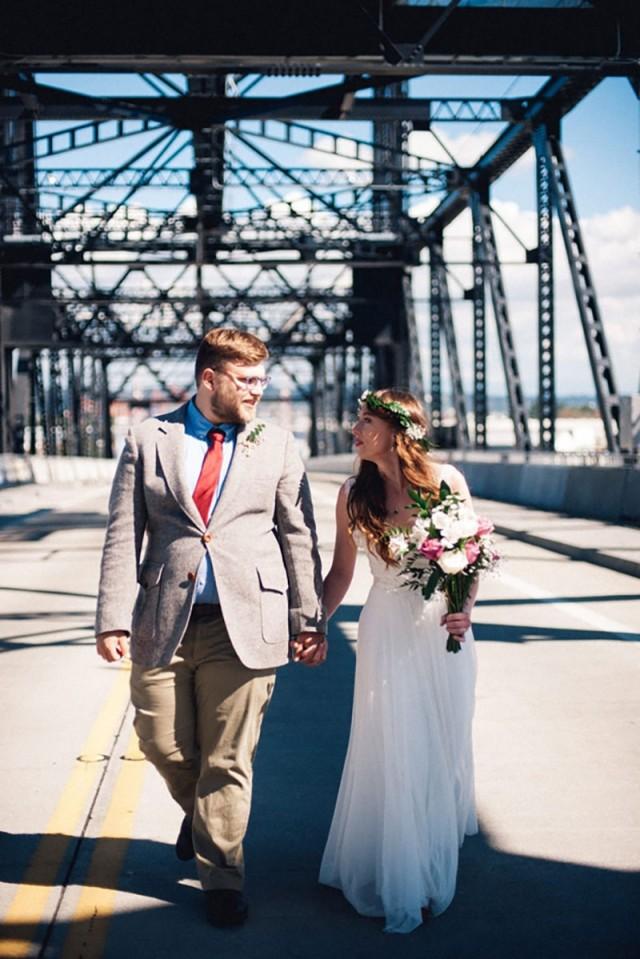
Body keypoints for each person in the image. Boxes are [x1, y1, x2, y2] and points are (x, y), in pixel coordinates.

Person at [95, 328, 326, 928]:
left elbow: (299, 535)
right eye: (246, 380)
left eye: (262, 379)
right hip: (163, 619)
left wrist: (311, 619)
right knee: (162, 744)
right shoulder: (149, 438)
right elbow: (125, 533)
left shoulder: (275, 443)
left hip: (244, 621)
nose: (259, 389)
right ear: (209, 380)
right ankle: (202, 815)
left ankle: (222, 876)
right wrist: (111, 617)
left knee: (228, 759)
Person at [319, 388, 478, 934]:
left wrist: (464, 610)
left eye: (365, 421)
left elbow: (467, 560)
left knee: (439, 745)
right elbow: (341, 574)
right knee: (396, 746)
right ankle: (407, 879)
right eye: (357, 419)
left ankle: (427, 854)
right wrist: (312, 622)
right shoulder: (351, 493)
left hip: (441, 631)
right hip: (385, 628)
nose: (354, 429)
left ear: (398, 430)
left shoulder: (447, 481)